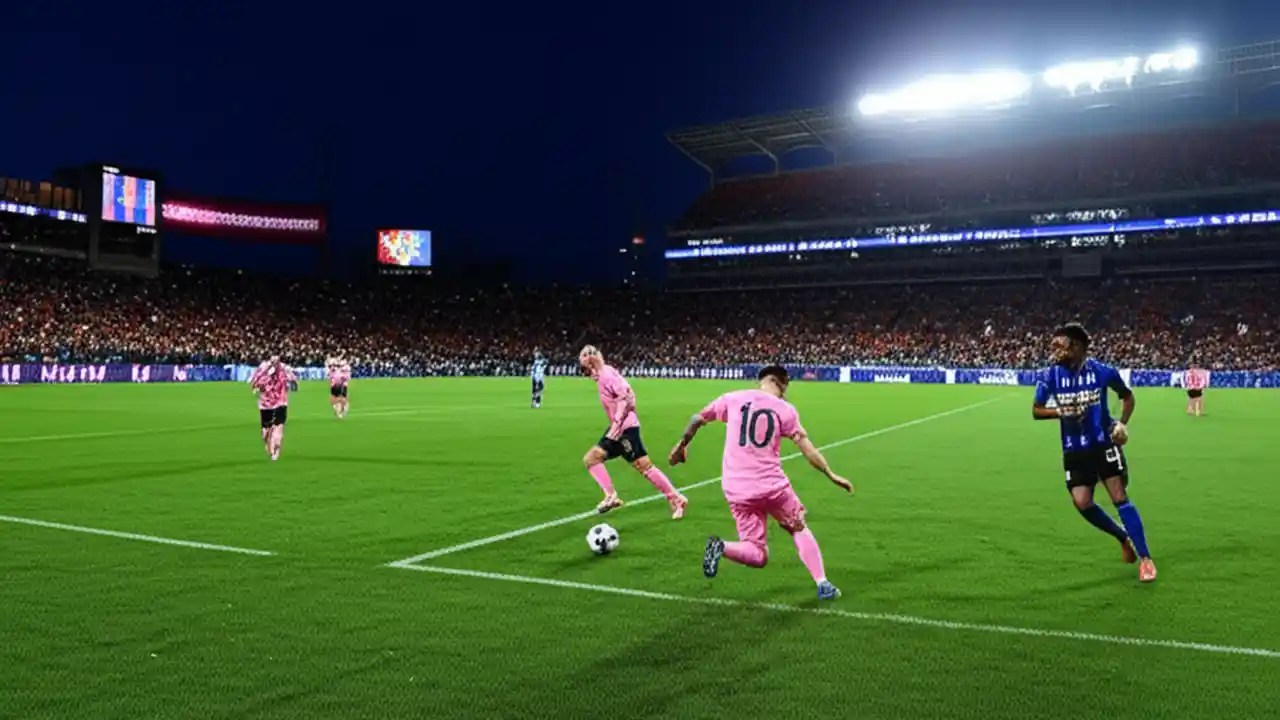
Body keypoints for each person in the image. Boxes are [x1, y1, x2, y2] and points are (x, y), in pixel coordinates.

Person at [669, 365, 852, 600]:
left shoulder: (732, 398)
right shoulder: (785, 409)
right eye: (786, 385)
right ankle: (823, 583)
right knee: (798, 528)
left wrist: (682, 445)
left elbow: (697, 418)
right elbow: (807, 450)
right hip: (772, 487)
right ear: (779, 381)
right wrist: (831, 474)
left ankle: (722, 547)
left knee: (758, 553)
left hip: (736, 490)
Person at [1033, 323, 1156, 583]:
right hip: (1074, 449)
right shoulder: (1050, 376)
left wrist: (1122, 424)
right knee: (1082, 501)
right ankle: (1123, 536)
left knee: (1118, 496)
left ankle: (1145, 559)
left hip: (1103, 444)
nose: (1054, 350)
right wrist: (1061, 412)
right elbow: (1036, 410)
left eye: (1060, 345)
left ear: (1076, 346)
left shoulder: (1102, 372)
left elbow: (1128, 397)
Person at [578, 345, 687, 518]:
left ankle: (673, 498)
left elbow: (624, 397)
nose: (588, 375)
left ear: (591, 363)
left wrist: (618, 421)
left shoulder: (606, 375)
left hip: (624, 429)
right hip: (621, 427)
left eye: (586, 370)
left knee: (640, 466)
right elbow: (630, 396)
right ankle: (674, 498)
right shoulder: (607, 373)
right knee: (596, 459)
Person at [249, 355, 296, 461]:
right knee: (266, 432)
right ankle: (270, 447)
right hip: (266, 404)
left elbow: (294, 382)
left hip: (281, 402)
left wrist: (290, 380)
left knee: (279, 426)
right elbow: (253, 383)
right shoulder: (263, 368)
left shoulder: (284, 369)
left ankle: (276, 450)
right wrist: (265, 372)